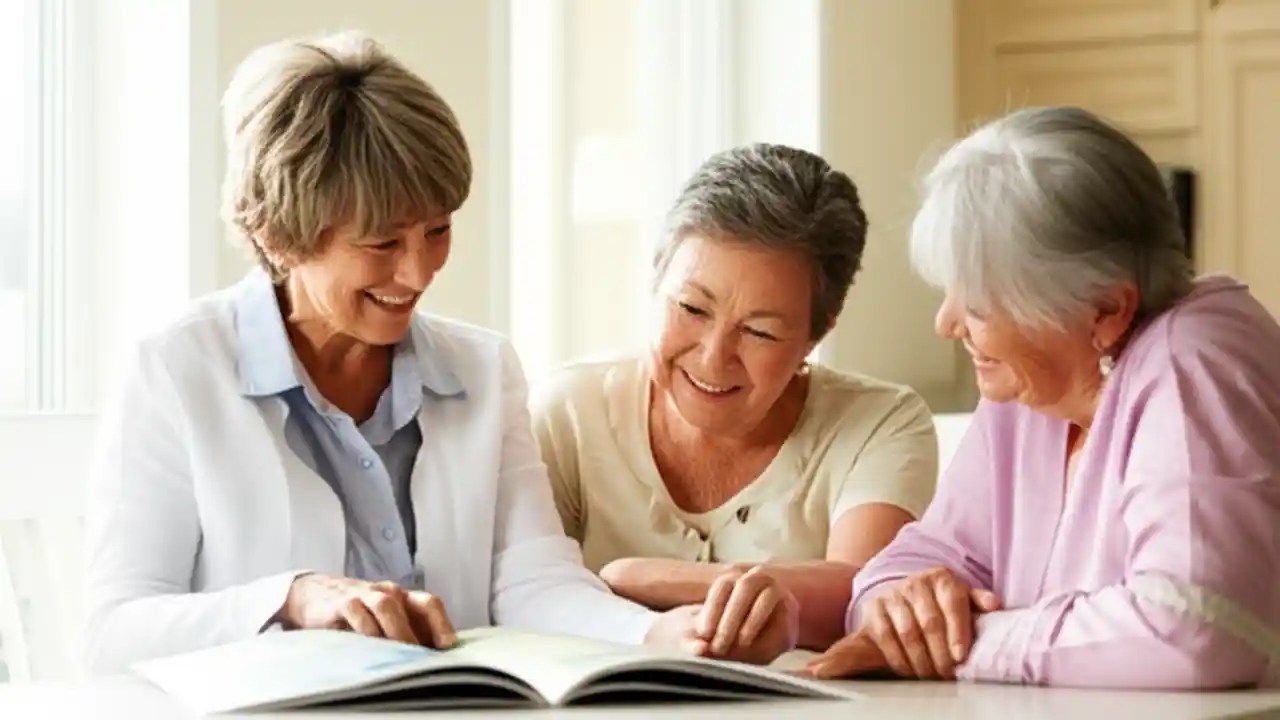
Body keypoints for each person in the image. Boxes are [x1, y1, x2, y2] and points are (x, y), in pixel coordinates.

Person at [81, 31, 796, 674]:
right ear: (280, 232)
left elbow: (536, 584)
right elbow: (113, 633)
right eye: (382, 243)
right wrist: (294, 599)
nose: (418, 273)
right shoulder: (176, 369)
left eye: (438, 230)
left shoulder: (484, 370)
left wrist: (663, 637)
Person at [807, 106, 1280, 689]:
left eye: (979, 304)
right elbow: (917, 562)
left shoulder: (1195, 358)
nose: (946, 323)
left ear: (1106, 309)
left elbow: (1195, 630)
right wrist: (904, 611)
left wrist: (969, 642)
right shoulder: (1031, 390)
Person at [532, 144, 939, 653]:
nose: (712, 358)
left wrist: (642, 578)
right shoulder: (569, 412)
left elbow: (868, 594)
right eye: (692, 308)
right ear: (657, 278)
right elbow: (518, 591)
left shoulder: (881, 424)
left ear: (816, 335)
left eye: (760, 333)